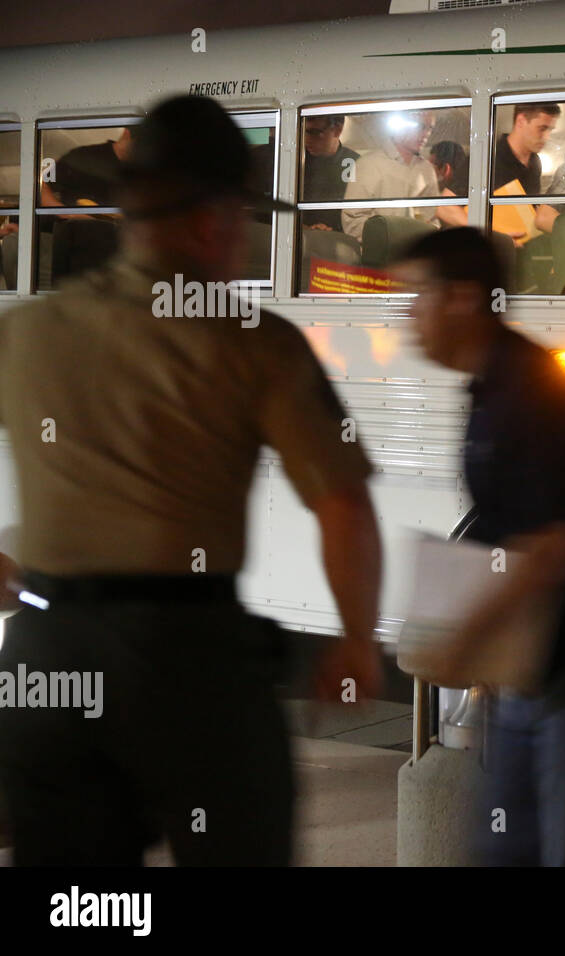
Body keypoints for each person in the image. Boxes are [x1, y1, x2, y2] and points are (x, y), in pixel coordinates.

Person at [0, 94, 383, 866]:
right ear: (212, 217)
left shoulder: (28, 331)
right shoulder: (256, 343)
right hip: (192, 664)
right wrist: (352, 639)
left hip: (45, 656)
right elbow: (342, 504)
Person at [391, 227, 565, 866]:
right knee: (509, 850)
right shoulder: (490, 387)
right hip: (538, 669)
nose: (407, 315)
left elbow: (560, 544)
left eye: (416, 296)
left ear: (462, 298)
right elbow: (509, 528)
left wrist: (463, 638)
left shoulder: (528, 390)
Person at [341, 109, 440, 242]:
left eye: (430, 128)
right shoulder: (368, 164)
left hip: (415, 256)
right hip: (377, 258)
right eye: (421, 126)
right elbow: (352, 221)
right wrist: (389, 238)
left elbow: (432, 219)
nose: (426, 134)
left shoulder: (426, 170)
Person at [492, 102, 561, 235]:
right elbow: (447, 207)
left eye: (550, 130)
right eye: (542, 128)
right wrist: (493, 232)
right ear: (521, 121)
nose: (546, 137)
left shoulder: (535, 161)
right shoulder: (491, 158)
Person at [41, 127, 132, 210]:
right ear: (127, 133)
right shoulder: (84, 156)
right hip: (73, 226)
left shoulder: (140, 168)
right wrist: (66, 213)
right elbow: (43, 186)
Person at [301, 114, 361, 233]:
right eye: (303, 132)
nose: (306, 139)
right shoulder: (297, 161)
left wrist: (332, 229)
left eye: (314, 132)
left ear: (337, 130)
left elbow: (357, 212)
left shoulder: (355, 164)